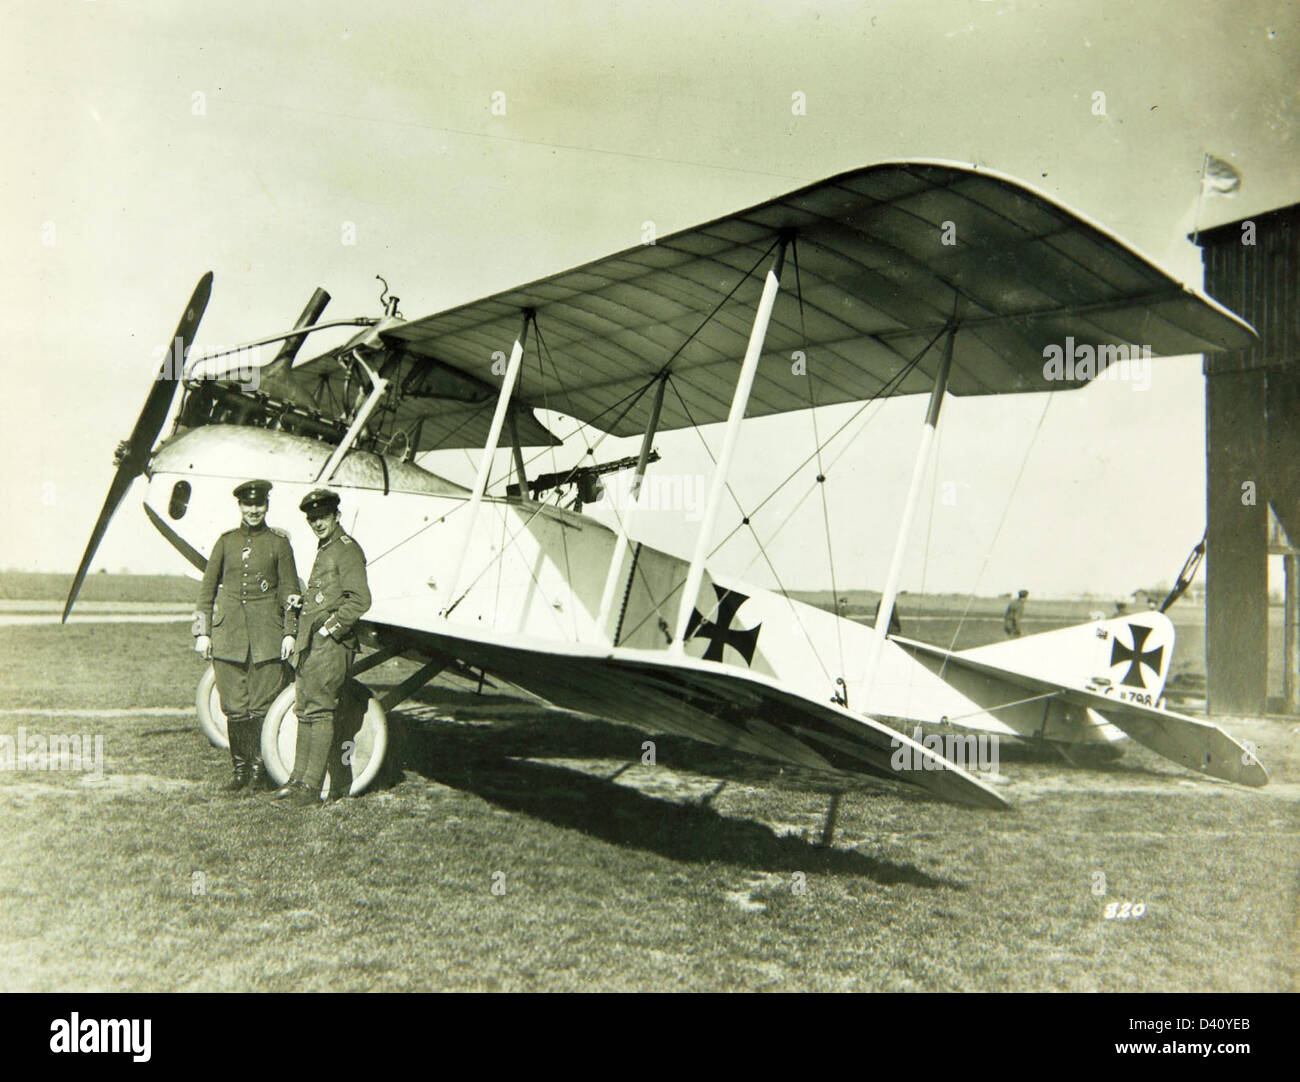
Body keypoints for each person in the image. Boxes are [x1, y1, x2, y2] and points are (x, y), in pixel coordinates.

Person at [193, 480, 298, 792]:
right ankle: (240, 773)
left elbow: (290, 592)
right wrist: (203, 632)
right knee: (235, 707)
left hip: (267, 637)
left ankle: (261, 771)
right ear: (239, 506)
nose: (254, 510)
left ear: (267, 506)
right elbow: (206, 591)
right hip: (229, 637)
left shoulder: (279, 544)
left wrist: (290, 632)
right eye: (248, 505)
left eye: (259, 505)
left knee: (262, 705)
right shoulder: (225, 542)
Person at [271, 489, 371, 808]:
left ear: (336, 516)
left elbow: (360, 599)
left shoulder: (346, 549)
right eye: (312, 518)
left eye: (323, 517)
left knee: (319, 711)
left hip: (330, 646)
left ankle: (311, 788)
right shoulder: (326, 547)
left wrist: (330, 628)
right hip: (312, 645)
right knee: (305, 710)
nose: (317, 523)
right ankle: (297, 779)